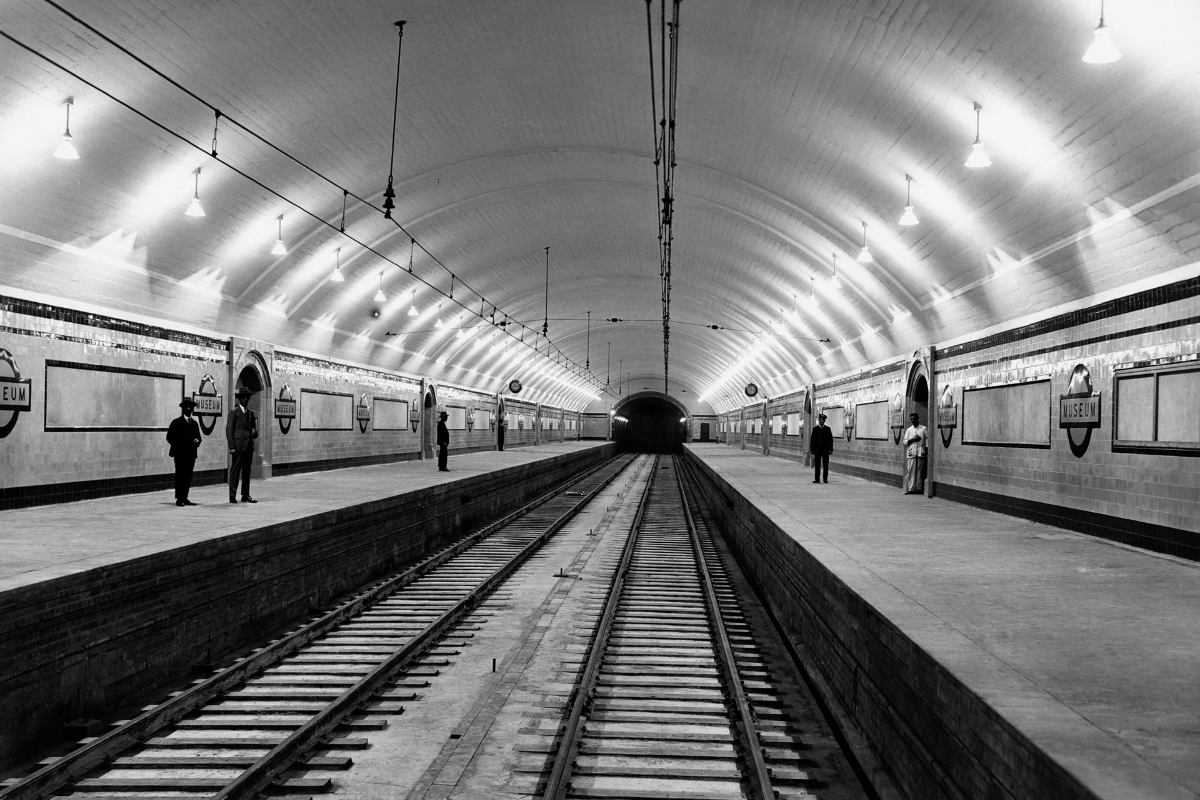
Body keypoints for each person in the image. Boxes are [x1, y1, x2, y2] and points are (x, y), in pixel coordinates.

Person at [166, 397, 202, 506]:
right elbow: (170, 437)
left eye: (190, 407)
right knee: (180, 475)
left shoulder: (194, 423)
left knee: (188, 476)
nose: (188, 409)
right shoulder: (176, 422)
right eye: (186, 407)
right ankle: (179, 498)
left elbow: (198, 438)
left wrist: (196, 442)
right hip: (180, 454)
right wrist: (181, 446)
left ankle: (185, 497)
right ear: (183, 409)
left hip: (191, 454)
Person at [226, 386, 258, 503]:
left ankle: (245, 494)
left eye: (247, 398)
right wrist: (232, 447)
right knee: (235, 471)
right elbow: (229, 430)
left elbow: (253, 431)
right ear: (239, 399)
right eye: (243, 398)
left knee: (246, 471)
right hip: (238, 447)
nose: (245, 399)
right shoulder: (234, 413)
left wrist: (254, 433)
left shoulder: (251, 414)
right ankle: (232, 495)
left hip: (248, 446)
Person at [903, 412, 929, 494]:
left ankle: (918, 488)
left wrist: (927, 451)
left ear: (917, 419)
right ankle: (911, 488)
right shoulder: (909, 430)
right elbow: (905, 441)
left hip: (920, 452)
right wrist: (913, 439)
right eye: (911, 419)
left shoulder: (923, 428)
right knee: (911, 470)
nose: (913, 420)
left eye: (914, 419)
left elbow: (927, 441)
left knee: (919, 471)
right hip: (911, 453)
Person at [809, 412, 833, 484]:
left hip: (825, 449)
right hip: (817, 449)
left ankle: (825, 479)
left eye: (822, 419)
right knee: (817, 465)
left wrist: (830, 449)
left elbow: (830, 440)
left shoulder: (827, 429)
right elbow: (812, 439)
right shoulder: (815, 429)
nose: (821, 421)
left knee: (825, 465)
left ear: (824, 421)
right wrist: (812, 449)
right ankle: (817, 479)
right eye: (820, 419)